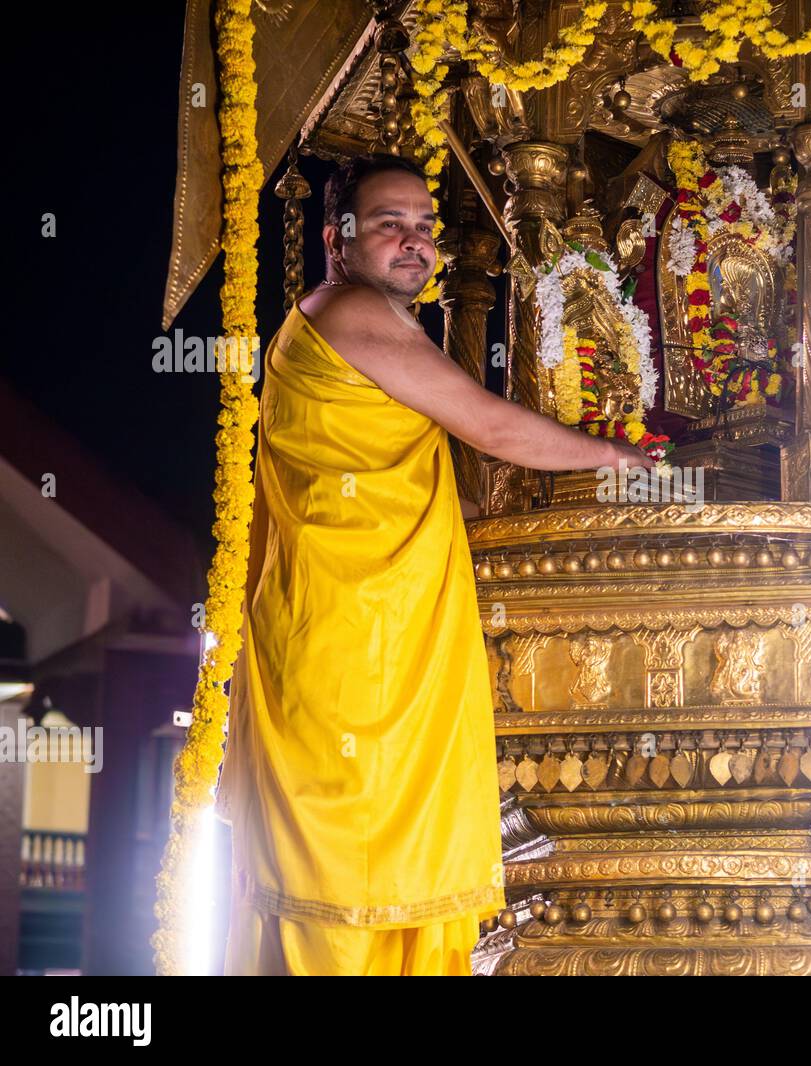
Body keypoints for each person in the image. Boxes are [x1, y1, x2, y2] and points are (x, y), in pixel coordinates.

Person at [216, 154, 654, 976]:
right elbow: (495, 429)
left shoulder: (356, 323)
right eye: (390, 224)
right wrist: (621, 462)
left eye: (425, 226)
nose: (414, 243)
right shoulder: (348, 311)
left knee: (379, 882)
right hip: (353, 653)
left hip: (371, 636)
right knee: (349, 886)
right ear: (336, 240)